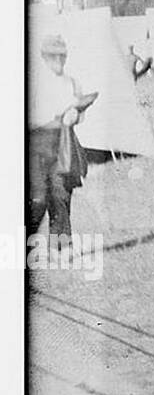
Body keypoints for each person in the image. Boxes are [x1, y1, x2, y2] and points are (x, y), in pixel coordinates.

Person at [28, 34, 90, 248]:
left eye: (62, 56)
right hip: (36, 145)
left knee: (61, 195)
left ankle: (60, 248)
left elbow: (81, 114)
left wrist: (75, 116)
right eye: (53, 56)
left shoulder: (72, 82)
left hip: (63, 144)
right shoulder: (33, 82)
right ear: (44, 57)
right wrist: (52, 115)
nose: (58, 60)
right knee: (37, 199)